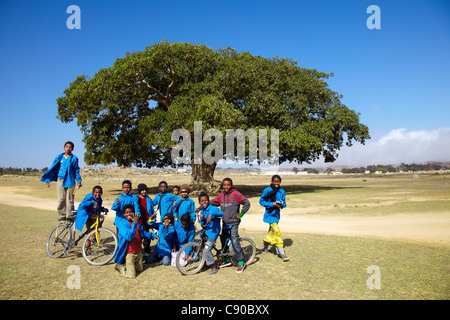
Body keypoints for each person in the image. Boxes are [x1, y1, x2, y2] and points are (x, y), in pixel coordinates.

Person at [210, 178, 250, 273]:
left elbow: (247, 203)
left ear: (231, 185)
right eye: (224, 185)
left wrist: (240, 214)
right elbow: (212, 202)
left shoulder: (236, 194)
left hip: (234, 222)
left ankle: (241, 262)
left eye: (228, 185)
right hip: (225, 222)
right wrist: (201, 205)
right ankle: (226, 260)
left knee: (235, 240)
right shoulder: (221, 195)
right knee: (223, 240)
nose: (226, 187)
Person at [40, 141, 82, 219]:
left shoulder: (74, 158)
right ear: (64, 148)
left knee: (69, 199)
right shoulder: (59, 157)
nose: (68, 148)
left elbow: (76, 170)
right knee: (61, 199)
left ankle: (70, 215)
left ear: (72, 149)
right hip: (60, 180)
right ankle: (62, 215)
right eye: (67, 147)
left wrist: (79, 181)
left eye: (70, 147)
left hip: (70, 180)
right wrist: (48, 179)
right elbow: (53, 168)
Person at [114, 205, 157, 278]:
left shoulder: (137, 223)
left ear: (134, 213)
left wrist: (153, 235)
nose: (129, 214)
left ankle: (131, 264)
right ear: (124, 214)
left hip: (138, 251)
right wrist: (134, 224)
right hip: (129, 253)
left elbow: (142, 233)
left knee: (140, 270)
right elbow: (129, 237)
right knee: (132, 276)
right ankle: (119, 266)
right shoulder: (123, 224)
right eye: (126, 212)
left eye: (131, 212)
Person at [259, 175, 289, 262]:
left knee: (272, 232)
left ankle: (264, 248)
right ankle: (282, 253)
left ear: (280, 182)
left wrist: (281, 205)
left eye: (278, 182)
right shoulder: (267, 190)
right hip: (269, 214)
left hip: (277, 215)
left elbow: (284, 203)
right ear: (272, 181)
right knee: (277, 232)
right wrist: (272, 204)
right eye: (275, 182)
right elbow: (261, 201)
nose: (276, 183)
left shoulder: (282, 191)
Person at [197, 192, 224, 275]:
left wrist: (210, 215)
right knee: (200, 246)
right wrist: (201, 218)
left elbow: (221, 213)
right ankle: (204, 263)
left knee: (207, 248)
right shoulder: (202, 210)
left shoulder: (213, 208)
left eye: (205, 200)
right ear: (199, 203)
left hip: (213, 232)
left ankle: (213, 267)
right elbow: (203, 222)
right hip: (205, 231)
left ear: (208, 201)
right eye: (202, 201)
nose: (204, 202)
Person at [137, 183, 154, 255]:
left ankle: (147, 250)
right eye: (142, 190)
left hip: (146, 221)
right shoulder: (136, 199)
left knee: (147, 237)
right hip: (138, 221)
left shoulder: (148, 199)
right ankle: (138, 251)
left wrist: (153, 219)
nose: (144, 191)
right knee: (138, 237)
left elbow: (152, 210)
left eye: (145, 190)